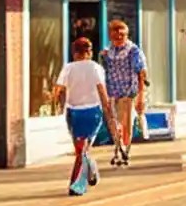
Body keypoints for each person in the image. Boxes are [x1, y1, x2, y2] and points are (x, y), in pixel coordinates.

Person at [52, 37, 118, 196]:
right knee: (83, 149)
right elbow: (102, 91)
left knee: (80, 149)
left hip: (74, 112)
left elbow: (58, 90)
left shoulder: (68, 68)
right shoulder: (96, 68)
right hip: (92, 112)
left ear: (74, 52)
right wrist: (108, 111)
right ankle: (91, 168)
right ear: (89, 52)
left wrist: (56, 105)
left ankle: (77, 185)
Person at [101, 20, 147, 167]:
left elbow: (142, 74)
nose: (119, 38)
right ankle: (119, 147)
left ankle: (124, 149)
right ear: (110, 36)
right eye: (115, 35)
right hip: (111, 93)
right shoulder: (107, 53)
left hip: (128, 93)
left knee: (125, 124)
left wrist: (141, 96)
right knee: (114, 124)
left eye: (122, 34)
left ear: (126, 35)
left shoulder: (133, 51)